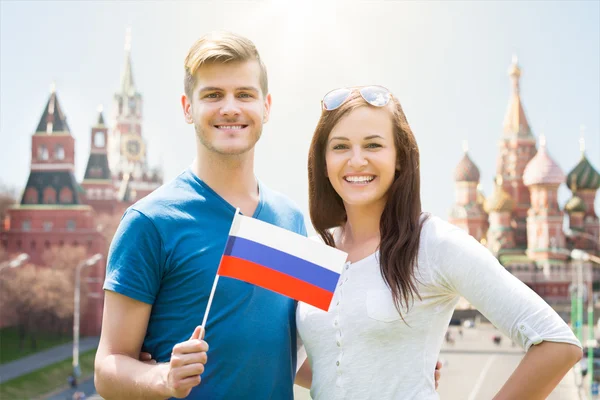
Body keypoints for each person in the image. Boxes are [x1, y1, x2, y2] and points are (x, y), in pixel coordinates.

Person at [295, 85, 583, 399]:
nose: (357, 160)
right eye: (340, 147)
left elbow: (557, 343)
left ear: (400, 158)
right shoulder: (314, 256)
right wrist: (397, 369)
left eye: (373, 145)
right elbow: (310, 363)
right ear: (323, 162)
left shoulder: (432, 245)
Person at [94, 31, 307, 399]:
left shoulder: (290, 219)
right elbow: (107, 367)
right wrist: (164, 378)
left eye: (244, 94)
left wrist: (397, 359)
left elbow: (293, 354)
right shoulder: (149, 222)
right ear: (187, 107)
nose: (230, 108)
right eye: (212, 95)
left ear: (266, 106)